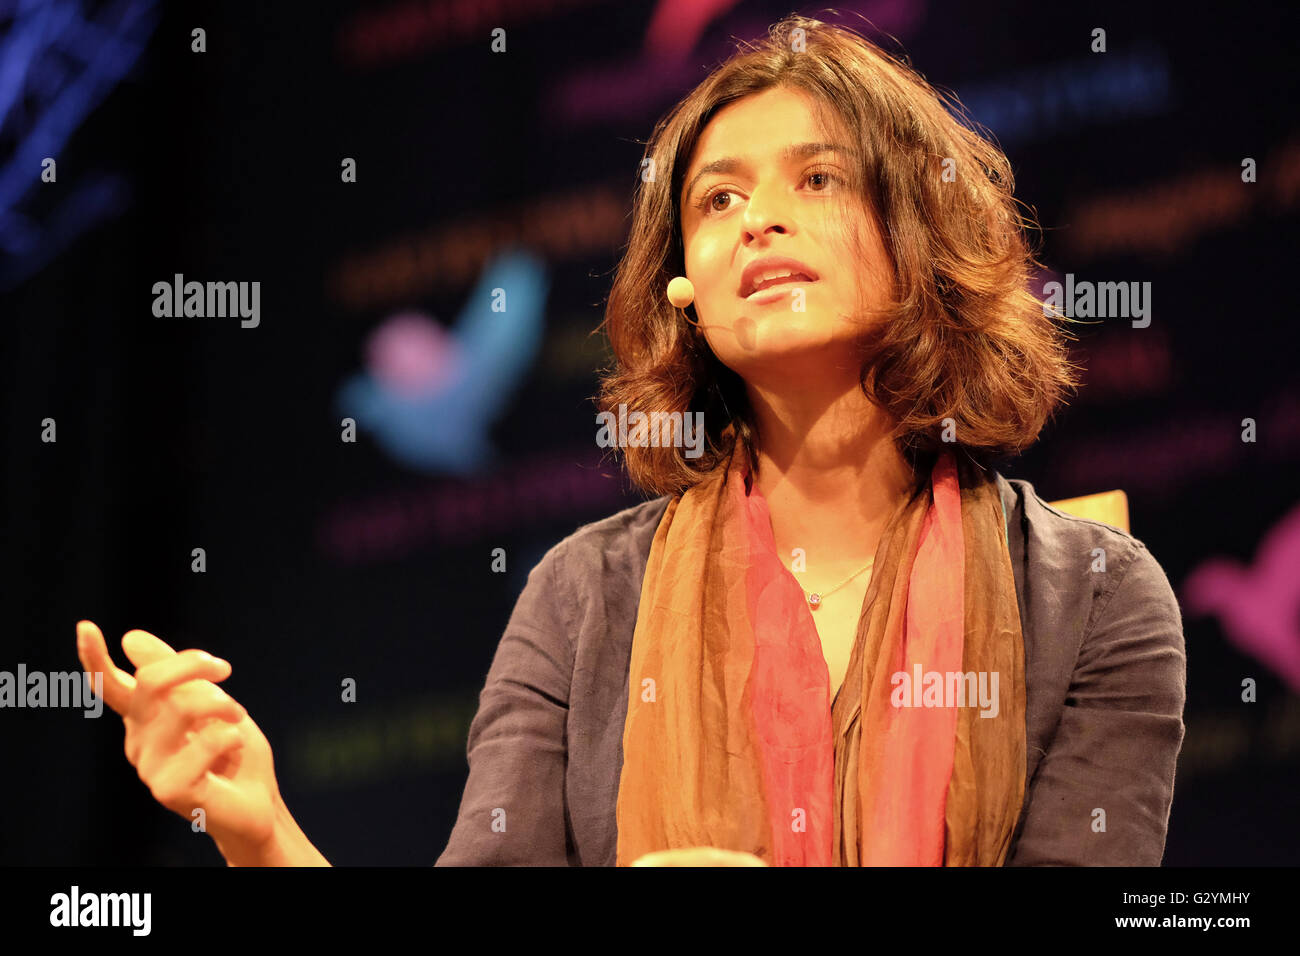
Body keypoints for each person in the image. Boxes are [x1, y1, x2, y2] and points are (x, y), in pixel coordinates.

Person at [76, 15, 1186, 867]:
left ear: (920, 235)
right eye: (715, 201)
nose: (758, 218)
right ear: (685, 287)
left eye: (817, 179)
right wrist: (262, 830)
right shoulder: (583, 597)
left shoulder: (1094, 596)